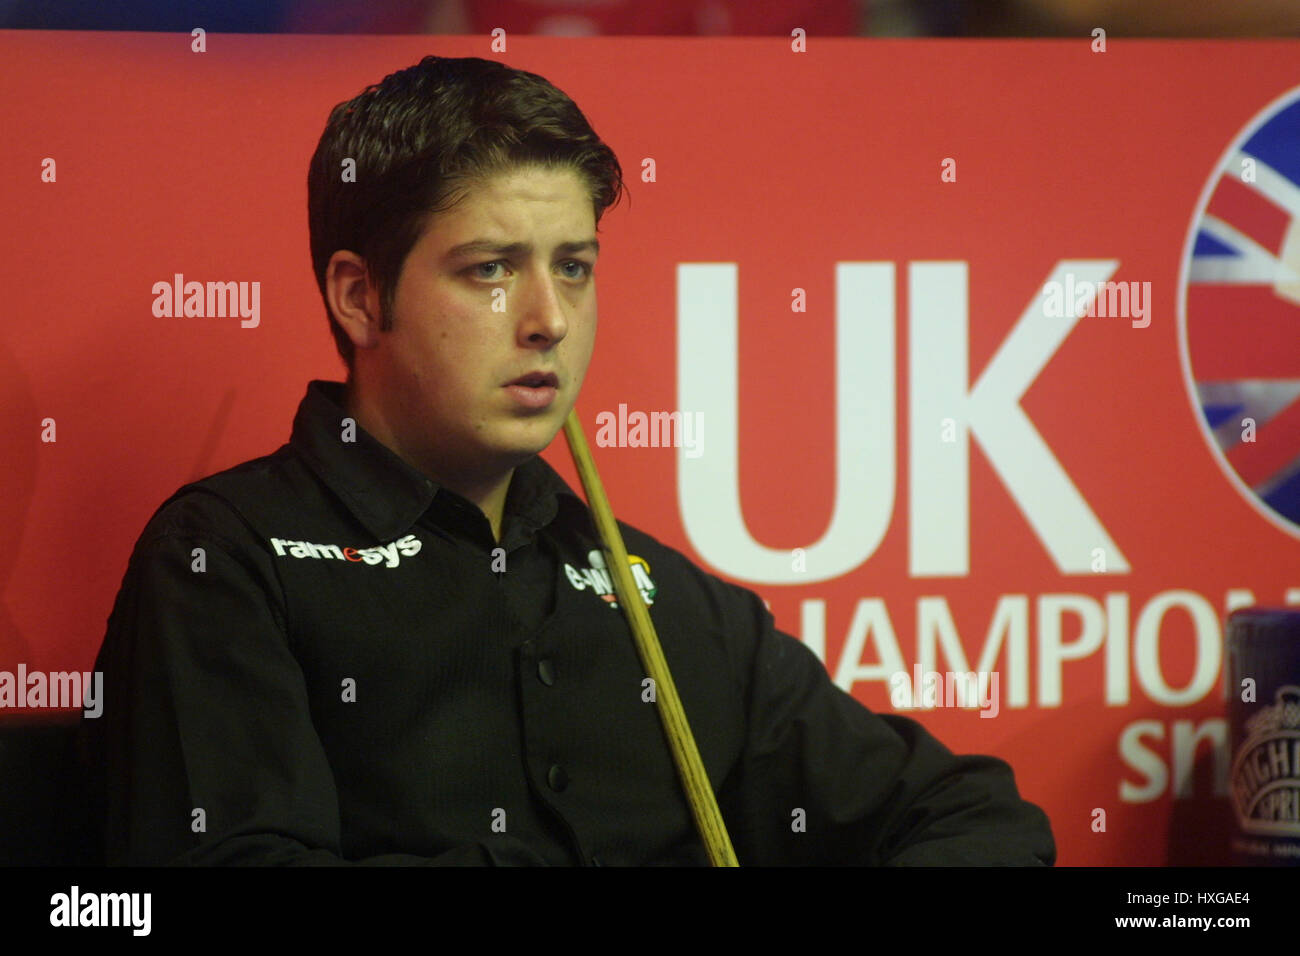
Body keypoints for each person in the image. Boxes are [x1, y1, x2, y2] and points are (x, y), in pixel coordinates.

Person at [80, 55, 1055, 866]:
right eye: (491, 269)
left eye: (574, 266)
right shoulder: (223, 559)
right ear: (357, 297)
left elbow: (976, 820)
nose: (549, 318)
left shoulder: (658, 597)